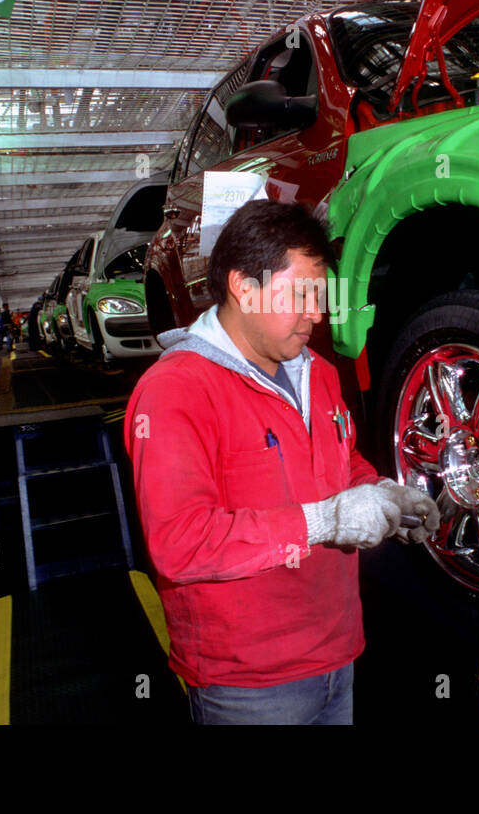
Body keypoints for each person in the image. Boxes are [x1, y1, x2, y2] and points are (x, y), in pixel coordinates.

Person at [124, 200, 439, 725]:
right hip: (249, 682)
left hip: (339, 652)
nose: (317, 313)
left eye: (322, 296)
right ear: (244, 288)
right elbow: (179, 543)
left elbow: (341, 463)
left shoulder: (316, 373)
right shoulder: (175, 391)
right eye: (302, 294)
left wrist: (382, 493)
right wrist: (325, 521)